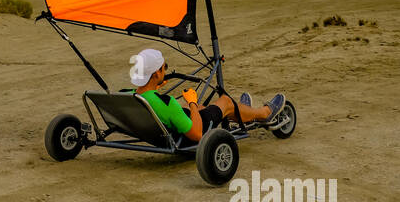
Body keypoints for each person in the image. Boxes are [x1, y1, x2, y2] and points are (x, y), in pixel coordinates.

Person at [122, 47, 286, 143]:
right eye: (164, 67)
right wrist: (192, 102)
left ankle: (244, 113)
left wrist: (156, 88)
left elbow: (153, 100)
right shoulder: (167, 102)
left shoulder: (129, 95)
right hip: (185, 136)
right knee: (225, 101)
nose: (165, 69)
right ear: (157, 73)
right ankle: (265, 113)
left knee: (197, 107)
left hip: (159, 130)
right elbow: (197, 134)